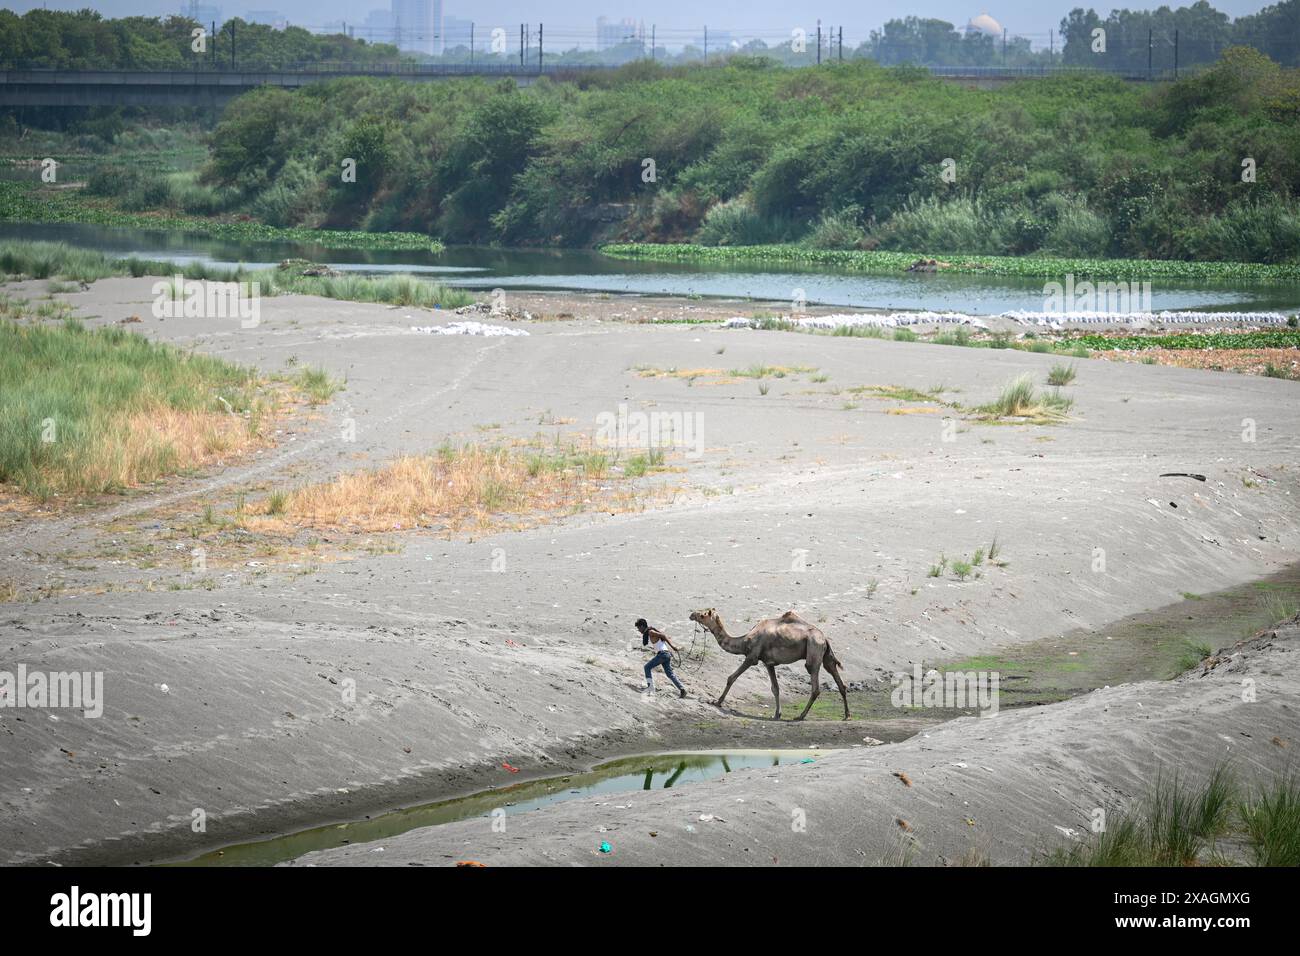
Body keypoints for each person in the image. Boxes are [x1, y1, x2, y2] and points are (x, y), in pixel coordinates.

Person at [635, 618, 687, 698]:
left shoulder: (650, 632)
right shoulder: (650, 632)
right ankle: (682, 689)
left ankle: (650, 687)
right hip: (665, 654)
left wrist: (673, 646)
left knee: (647, 667)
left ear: (642, 626)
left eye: (639, 628)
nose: (639, 630)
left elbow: (663, 636)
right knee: (670, 674)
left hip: (663, 654)